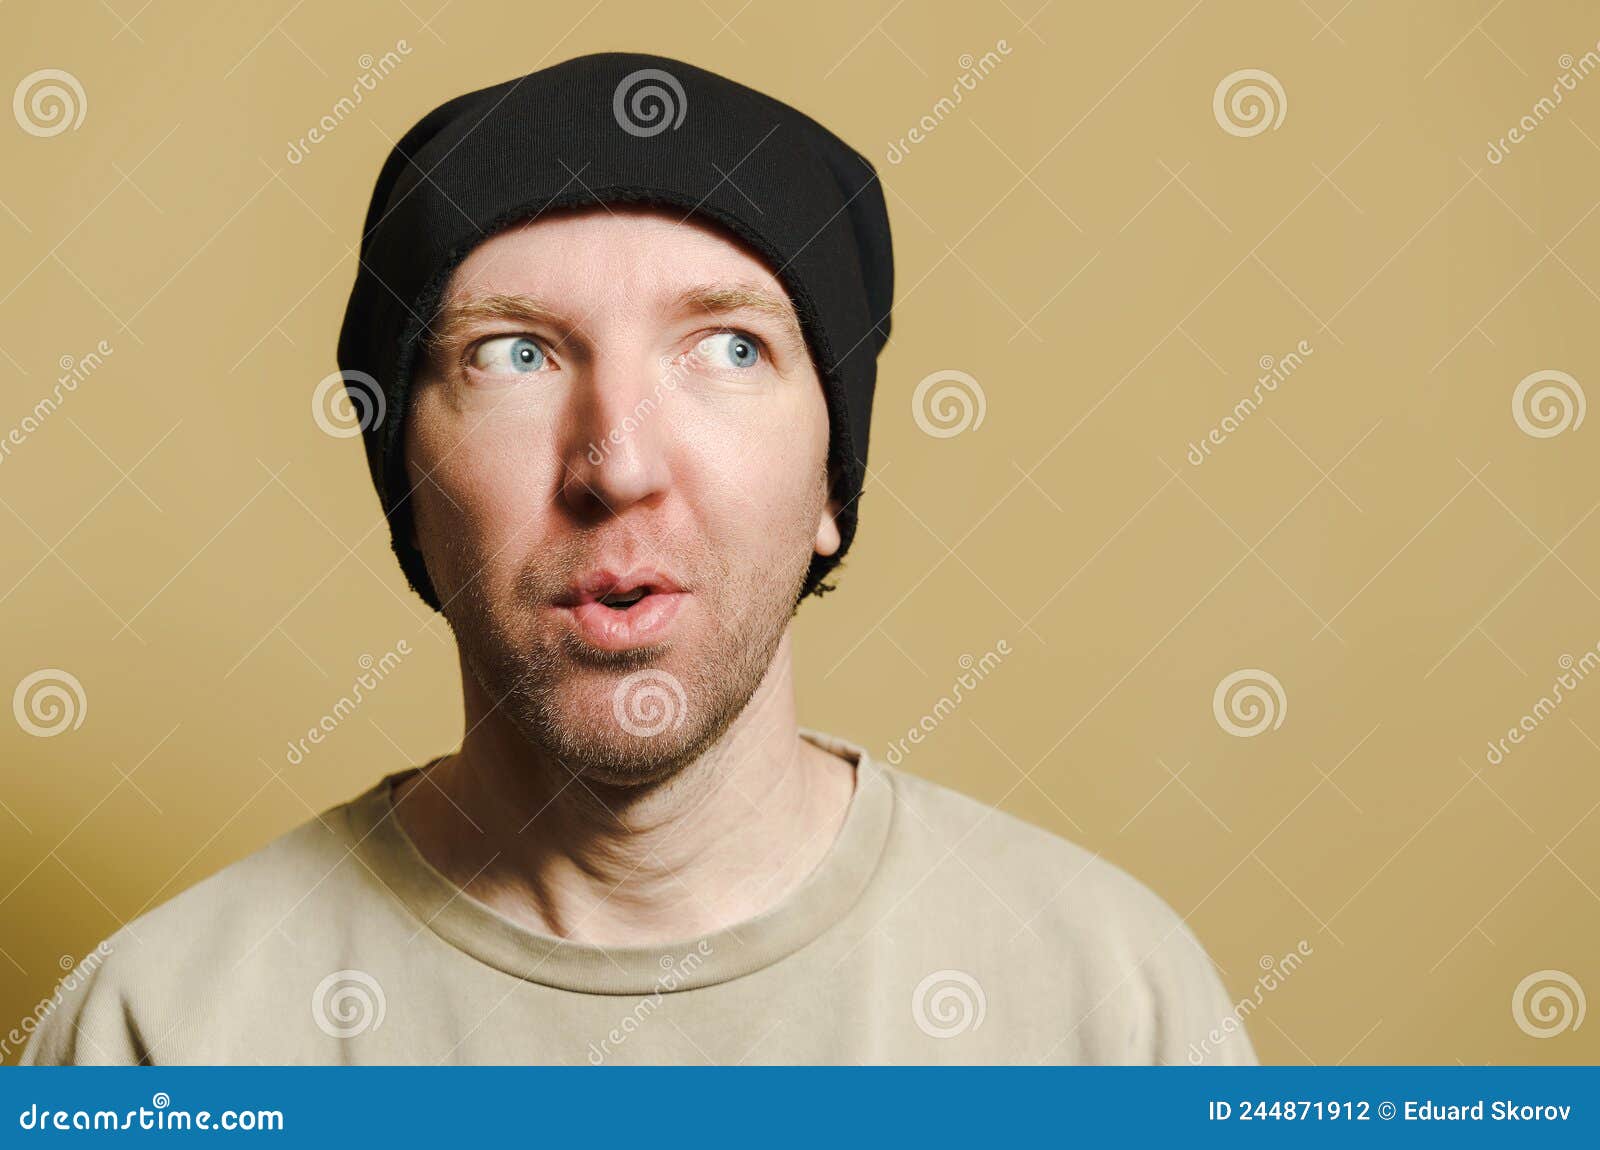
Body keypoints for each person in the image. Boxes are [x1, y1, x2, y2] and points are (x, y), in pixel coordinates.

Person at [22, 52, 1254, 1065]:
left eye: (727, 349)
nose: (615, 464)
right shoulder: (163, 1037)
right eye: (512, 355)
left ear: (832, 481)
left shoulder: (1109, 1007)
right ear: (408, 483)